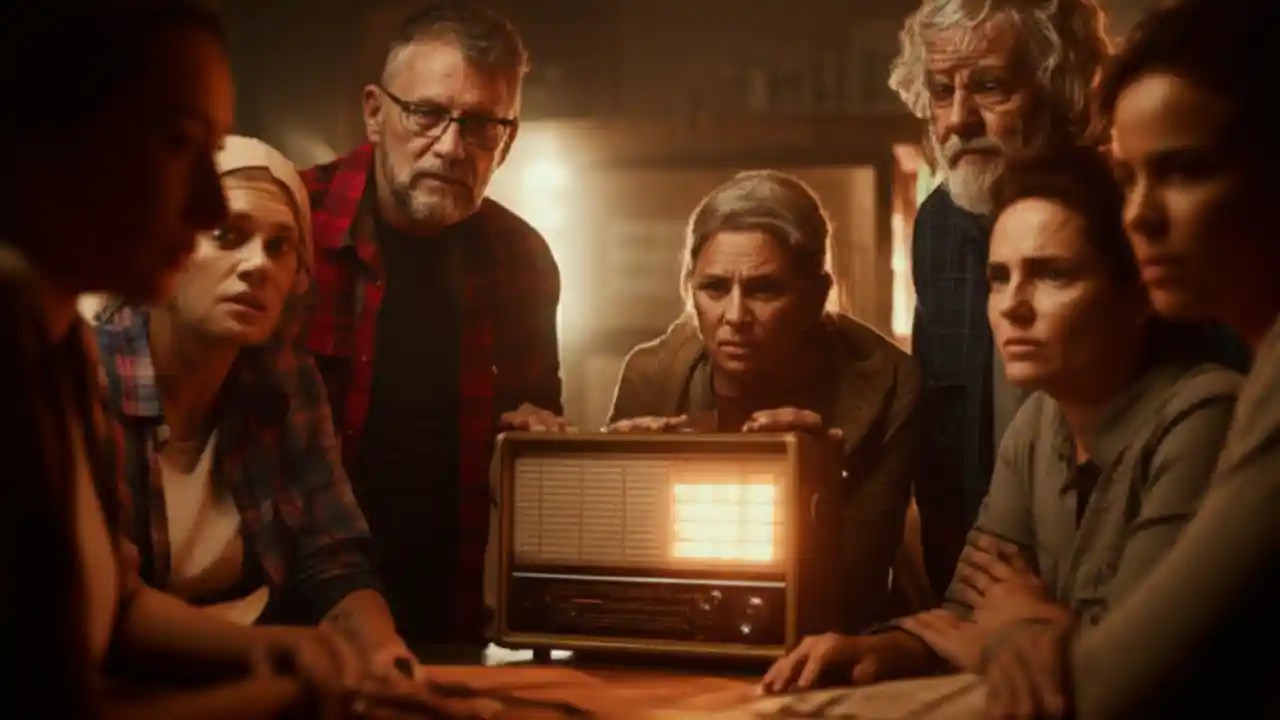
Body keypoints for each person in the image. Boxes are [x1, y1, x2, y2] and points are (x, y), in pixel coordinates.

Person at [760, 146, 1240, 695]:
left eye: (1053, 274)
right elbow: (970, 606)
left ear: (1137, 295)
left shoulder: (1205, 416)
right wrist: (885, 649)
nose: (1012, 305)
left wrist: (1021, 628)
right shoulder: (1040, 421)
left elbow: (1140, 669)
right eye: (998, 277)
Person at [0, 2, 359, 717]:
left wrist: (278, 652)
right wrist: (290, 696)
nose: (202, 204)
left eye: (214, 146)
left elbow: (118, 604)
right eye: (177, 142)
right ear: (45, 138)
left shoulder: (56, 338)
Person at [981, 2, 1280, 716]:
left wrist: (1020, 630)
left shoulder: (1211, 405)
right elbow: (976, 596)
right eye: (1127, 179)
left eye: (1185, 170)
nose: (1139, 216)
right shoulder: (1038, 424)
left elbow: (1125, 680)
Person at [92, 135, 421, 681]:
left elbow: (332, 558)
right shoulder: (88, 376)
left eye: (279, 247)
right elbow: (107, 605)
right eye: (227, 236)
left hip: (255, 671)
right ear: (168, 247)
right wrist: (289, 658)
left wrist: (384, 656)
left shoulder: (285, 380)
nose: (256, 266)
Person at [302, 0, 567, 644]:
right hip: (288, 622)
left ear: (508, 140)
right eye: (426, 114)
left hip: (447, 623)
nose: (450, 146)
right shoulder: (292, 227)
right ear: (375, 112)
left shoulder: (522, 260)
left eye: (480, 125)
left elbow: (536, 436)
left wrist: (542, 440)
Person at [608, 170, 921, 633]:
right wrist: (621, 480)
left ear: (817, 296)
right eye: (714, 289)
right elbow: (621, 581)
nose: (735, 317)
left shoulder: (888, 386)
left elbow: (854, 590)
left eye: (764, 290)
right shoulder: (652, 376)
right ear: (688, 289)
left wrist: (816, 473)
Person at [888, 0, 1112, 593]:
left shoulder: (1127, 212)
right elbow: (945, 434)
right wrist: (953, 612)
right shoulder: (940, 224)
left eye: (989, 87)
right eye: (940, 90)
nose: (958, 120)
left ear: (1058, 91)